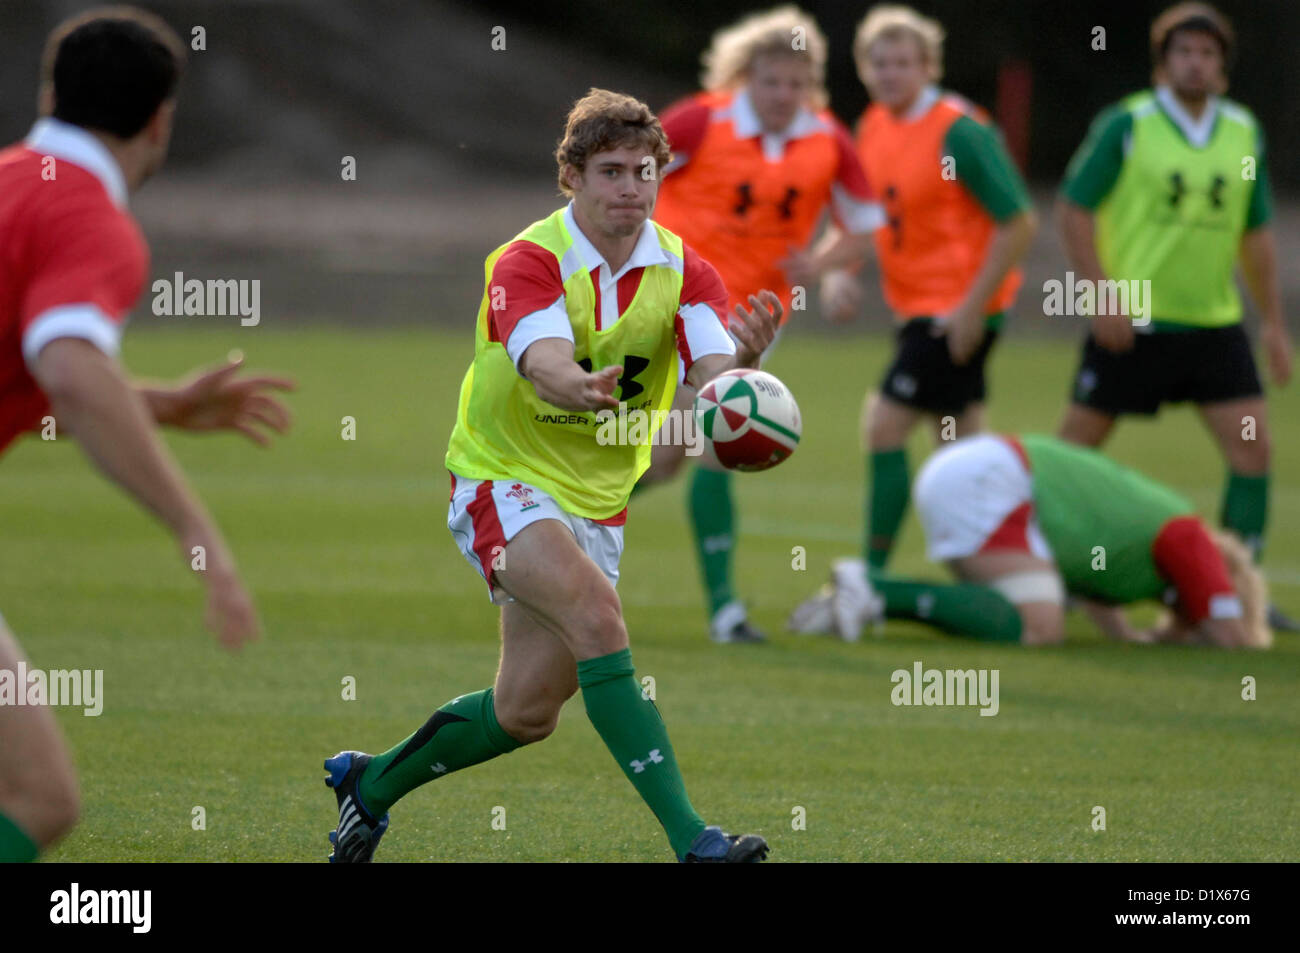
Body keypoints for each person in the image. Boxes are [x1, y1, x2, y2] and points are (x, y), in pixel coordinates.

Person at [323, 88, 780, 863]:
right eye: (610, 171)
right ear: (570, 176)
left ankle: (369, 786)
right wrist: (574, 384)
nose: (630, 189)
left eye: (644, 172)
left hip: (597, 504)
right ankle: (695, 843)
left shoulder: (686, 270)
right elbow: (543, 363)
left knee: (525, 711)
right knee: (600, 619)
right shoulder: (529, 260)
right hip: (501, 478)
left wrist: (745, 371)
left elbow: (709, 376)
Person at [0, 8, 293, 862]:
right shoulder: (90, 220)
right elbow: (67, 366)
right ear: (162, 121)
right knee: (38, 795)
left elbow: (36, 371)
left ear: (50, 93)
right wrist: (199, 533)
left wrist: (153, 402)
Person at [641, 5, 882, 643]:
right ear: (745, 76)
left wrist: (829, 270)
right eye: (771, 80)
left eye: (796, 83)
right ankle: (726, 612)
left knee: (670, 460)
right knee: (710, 448)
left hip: (755, 323)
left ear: (813, 85)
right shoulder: (699, 120)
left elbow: (863, 228)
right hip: (678, 308)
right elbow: (628, 180)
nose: (783, 95)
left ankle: (558, 507)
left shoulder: (828, 138)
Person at [1054, 3, 1294, 630]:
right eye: (1184, 52)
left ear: (1222, 68)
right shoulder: (1128, 124)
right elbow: (1073, 208)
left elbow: (1257, 232)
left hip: (1214, 328)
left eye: (1208, 54)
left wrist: (1272, 323)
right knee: (1067, 459)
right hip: (1133, 324)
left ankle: (1239, 598)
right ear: (1163, 63)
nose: (1196, 62)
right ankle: (1045, 577)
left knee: (1253, 451)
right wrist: (1100, 294)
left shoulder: (1243, 130)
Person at [810, 5, 1037, 640]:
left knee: (883, 425)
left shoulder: (960, 130)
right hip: (923, 313)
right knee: (965, 455)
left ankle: (867, 584)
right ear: (864, 69)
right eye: (878, 62)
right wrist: (838, 272)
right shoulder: (874, 127)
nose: (890, 72)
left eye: (903, 61)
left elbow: (1017, 222)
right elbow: (859, 218)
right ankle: (1014, 583)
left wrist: (970, 309)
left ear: (928, 67)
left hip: (955, 314)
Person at [806, 433, 1271, 649]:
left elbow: (1090, 579)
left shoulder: (1144, 549)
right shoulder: (1190, 538)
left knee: (1017, 605)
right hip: (993, 480)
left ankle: (858, 599)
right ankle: (872, 589)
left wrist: (1128, 635)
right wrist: (1220, 628)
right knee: (1041, 629)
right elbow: (1231, 639)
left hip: (976, 470)